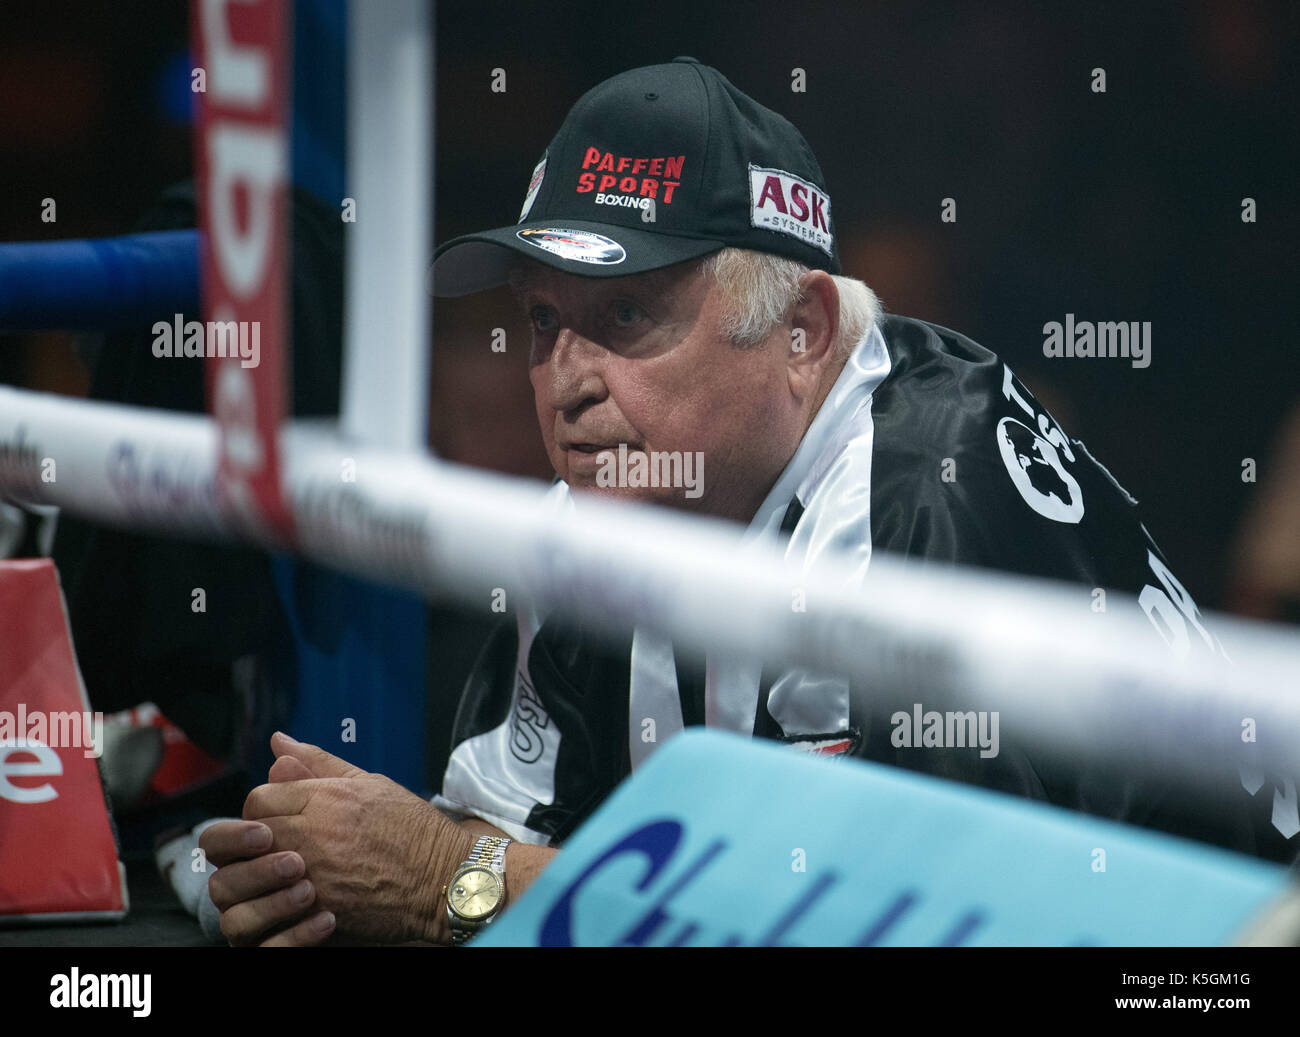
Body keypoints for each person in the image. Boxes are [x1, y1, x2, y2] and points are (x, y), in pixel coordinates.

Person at [200, 58, 1292, 947]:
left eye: (626, 315)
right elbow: (512, 827)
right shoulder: (605, 503)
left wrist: (449, 882)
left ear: (802, 333)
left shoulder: (932, 494)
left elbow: (922, 928)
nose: (567, 378)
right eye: (542, 320)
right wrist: (327, 875)